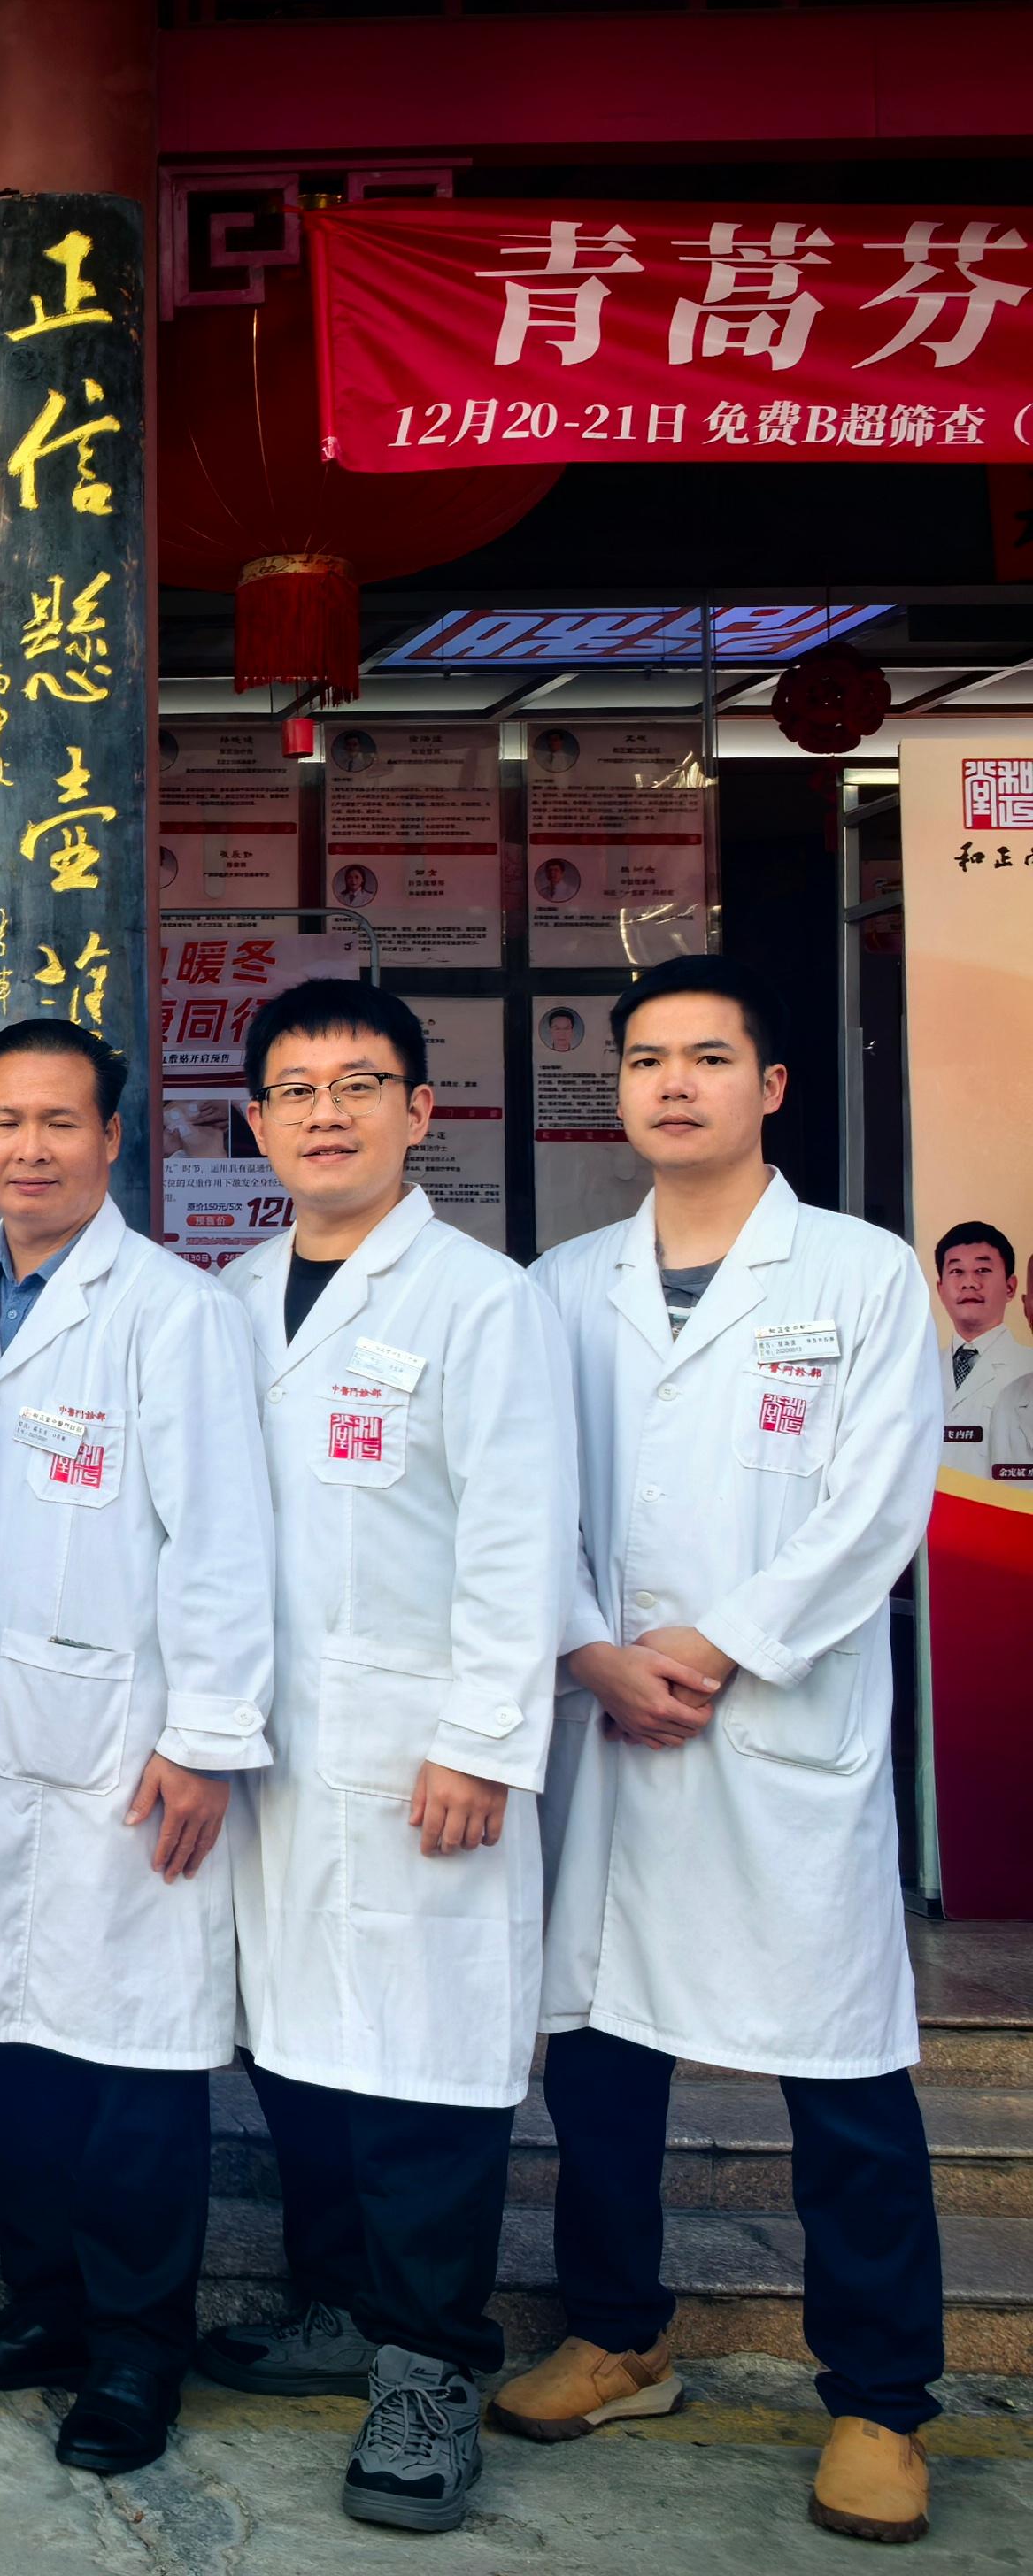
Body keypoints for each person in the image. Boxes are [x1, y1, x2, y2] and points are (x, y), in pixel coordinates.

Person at [512, 957, 949, 2547]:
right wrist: (588, 1649)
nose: (673, 1082)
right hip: (608, 1721)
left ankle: (881, 2399)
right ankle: (618, 2334)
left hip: (774, 1727)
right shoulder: (562, 1287)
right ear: (616, 1093)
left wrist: (715, 1645)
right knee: (603, 2060)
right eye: (646, 1059)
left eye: (707, 1057)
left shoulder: (860, 1275)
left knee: (841, 2079)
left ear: (769, 1086)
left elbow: (877, 1505)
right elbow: (521, 1503)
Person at [206, 978, 574, 2537]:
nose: (326, 1113)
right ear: (253, 1124)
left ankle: (429, 2366)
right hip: (272, 1748)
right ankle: (337, 2303)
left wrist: (482, 1739)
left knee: (426, 2061)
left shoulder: (482, 1301)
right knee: (294, 2045)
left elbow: (520, 1534)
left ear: (421, 1110)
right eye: (295, 1090)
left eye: (359, 1084)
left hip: (423, 1745)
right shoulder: (229, 1298)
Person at [0, 1019, 276, 2478]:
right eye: (5, 1121)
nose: (30, 1148)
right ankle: (47, 2306)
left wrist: (207, 1736)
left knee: (133, 2051)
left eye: (60, 1121)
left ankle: (137, 2347)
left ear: (113, 1139)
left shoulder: (175, 1314)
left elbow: (224, 1539)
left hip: (128, 1737)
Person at [932, 1220, 1029, 1479]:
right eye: (957, 1271)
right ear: (941, 1289)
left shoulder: (1028, 1367)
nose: (970, 1283)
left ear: (1010, 1287)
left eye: (983, 1270)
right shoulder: (919, 1371)